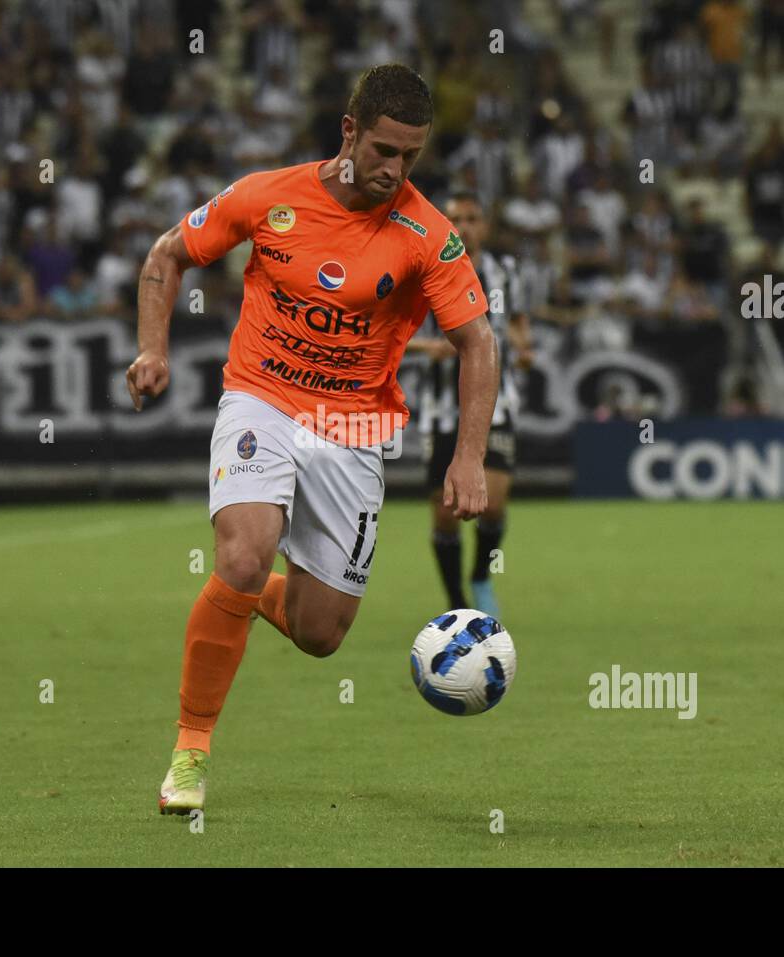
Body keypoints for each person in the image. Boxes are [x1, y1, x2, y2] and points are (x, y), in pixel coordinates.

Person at [125, 64, 499, 815]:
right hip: (260, 397)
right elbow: (166, 256)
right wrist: (152, 349)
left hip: (354, 426)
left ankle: (249, 595)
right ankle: (191, 752)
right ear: (350, 132)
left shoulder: (430, 234)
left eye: (411, 157)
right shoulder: (269, 196)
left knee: (319, 632)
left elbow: (478, 343)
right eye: (385, 150)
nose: (395, 170)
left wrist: (468, 456)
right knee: (242, 546)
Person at [406, 192, 533, 616]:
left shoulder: (506, 273)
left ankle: (479, 576)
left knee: (493, 503)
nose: (464, 224)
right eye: (455, 217)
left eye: (473, 217)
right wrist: (431, 348)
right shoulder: (421, 267)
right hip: (441, 407)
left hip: (496, 402)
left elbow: (516, 321)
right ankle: (456, 603)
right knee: (446, 515)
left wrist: (523, 345)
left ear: (485, 225)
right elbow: (393, 337)